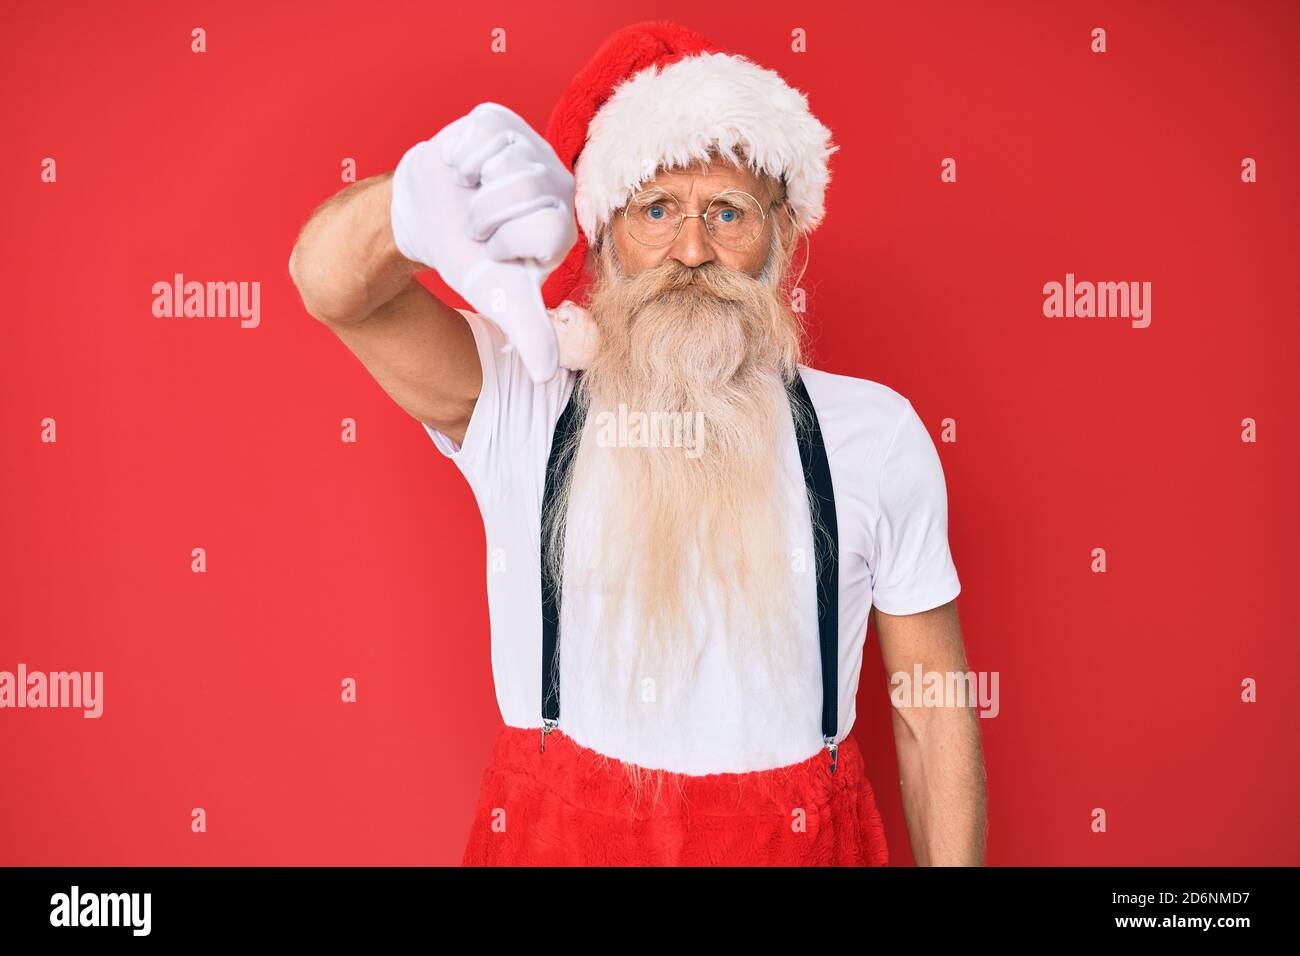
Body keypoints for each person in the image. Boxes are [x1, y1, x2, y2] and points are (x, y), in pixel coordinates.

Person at [289, 19, 986, 866]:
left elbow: (930, 706)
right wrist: (410, 206)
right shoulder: (523, 394)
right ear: (606, 230)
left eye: (727, 212)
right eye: (657, 209)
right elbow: (332, 286)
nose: (691, 250)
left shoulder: (877, 434)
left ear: (782, 237)